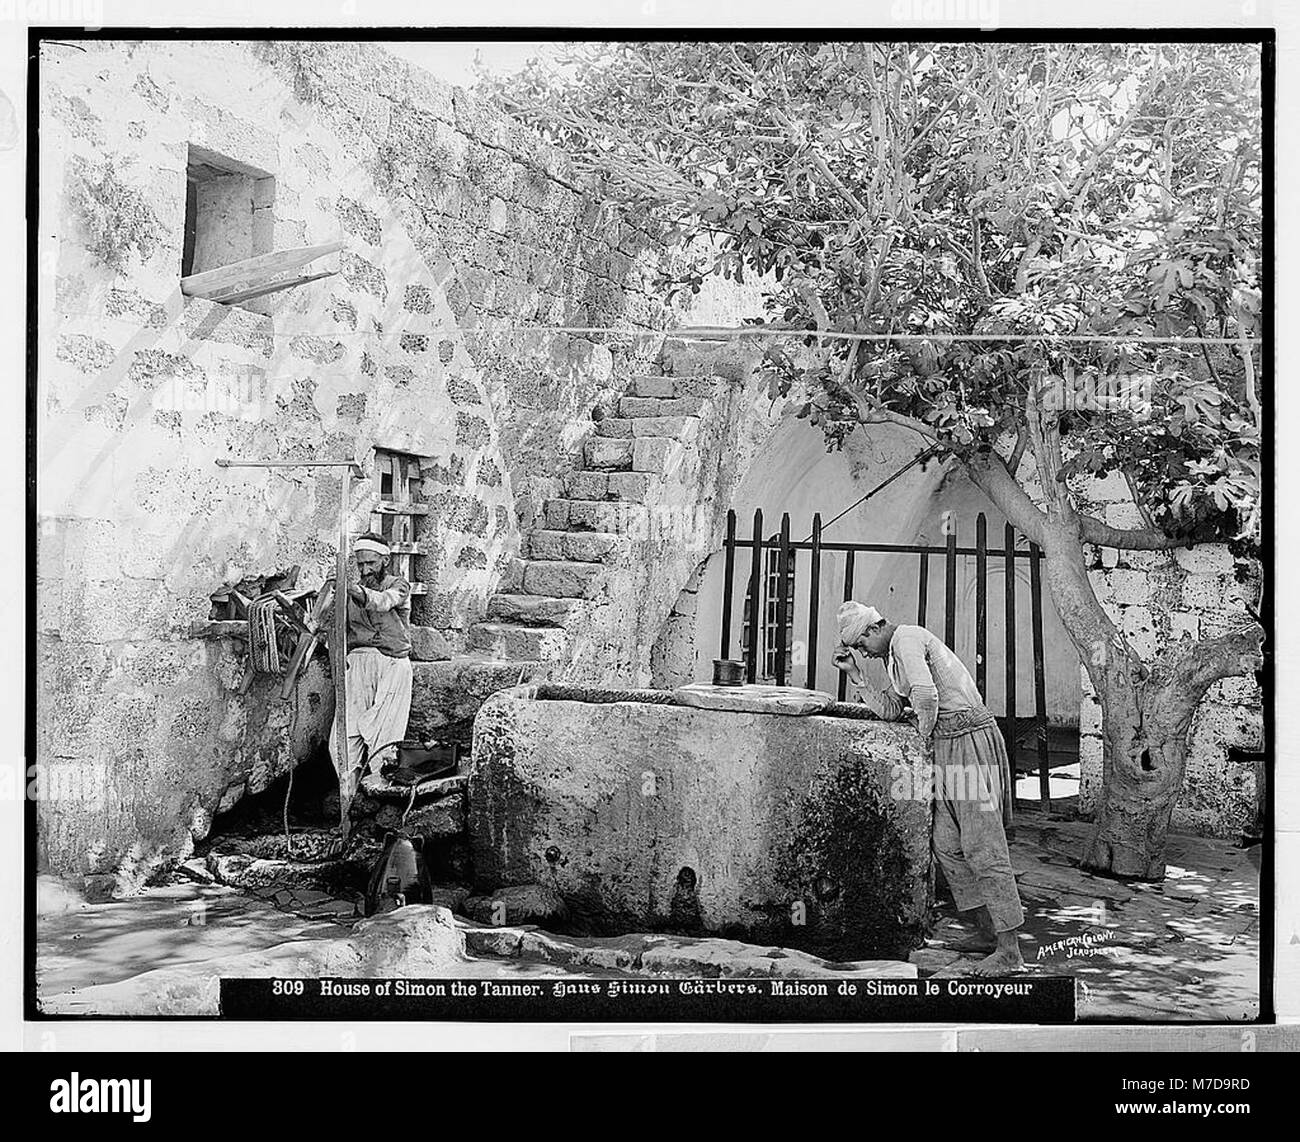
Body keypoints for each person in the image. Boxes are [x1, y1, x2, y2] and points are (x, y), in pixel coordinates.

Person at [832, 600, 1024, 975]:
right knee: (947, 845)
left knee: (983, 846)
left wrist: (922, 736)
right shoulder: (892, 658)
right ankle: (987, 933)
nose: (863, 654)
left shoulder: (906, 638)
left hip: (969, 741)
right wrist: (855, 674)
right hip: (947, 746)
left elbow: (925, 695)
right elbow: (890, 708)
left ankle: (1010, 950)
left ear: (872, 629)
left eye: (861, 646)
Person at [325, 533, 413, 792]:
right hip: (358, 663)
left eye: (371, 563)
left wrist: (352, 590)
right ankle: (348, 798)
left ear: (385, 560)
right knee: (344, 735)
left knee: (384, 733)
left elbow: (384, 602)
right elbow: (333, 627)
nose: (365, 569)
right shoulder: (350, 592)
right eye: (360, 564)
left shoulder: (399, 586)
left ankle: (382, 795)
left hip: (392, 663)